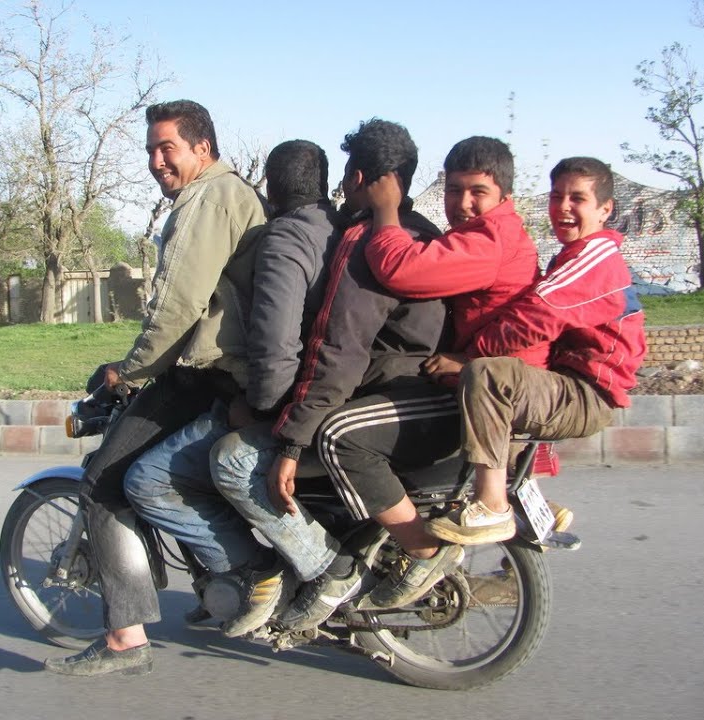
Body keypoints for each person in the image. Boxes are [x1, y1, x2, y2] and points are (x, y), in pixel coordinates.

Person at [43, 99, 267, 677]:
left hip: (203, 370)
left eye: (167, 147)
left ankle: (125, 637)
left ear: (203, 148)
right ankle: (207, 584)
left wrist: (131, 369)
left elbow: (178, 305)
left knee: (101, 478)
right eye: (149, 150)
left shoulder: (207, 198)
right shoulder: (229, 193)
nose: (155, 161)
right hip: (222, 367)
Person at [211, 118, 457, 632]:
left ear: (358, 177)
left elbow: (338, 351)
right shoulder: (423, 233)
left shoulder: (367, 243)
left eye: (348, 176)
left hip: (380, 400)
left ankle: (331, 572)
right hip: (416, 395)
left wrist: (291, 438)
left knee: (234, 460)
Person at [120, 139, 343, 639]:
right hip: (327, 394)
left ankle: (262, 572)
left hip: (283, 399)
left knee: (149, 479)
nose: (157, 160)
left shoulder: (283, 237)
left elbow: (276, 341)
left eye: (166, 148)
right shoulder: (339, 227)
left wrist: (259, 406)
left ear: (270, 186)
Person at [422, 156, 647, 545]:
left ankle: (492, 505)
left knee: (489, 375)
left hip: (585, 394)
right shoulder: (570, 255)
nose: (563, 208)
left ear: (605, 209)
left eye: (577, 198)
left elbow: (537, 314)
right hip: (569, 383)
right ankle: (531, 505)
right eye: (556, 196)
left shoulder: (597, 257)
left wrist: (469, 354)